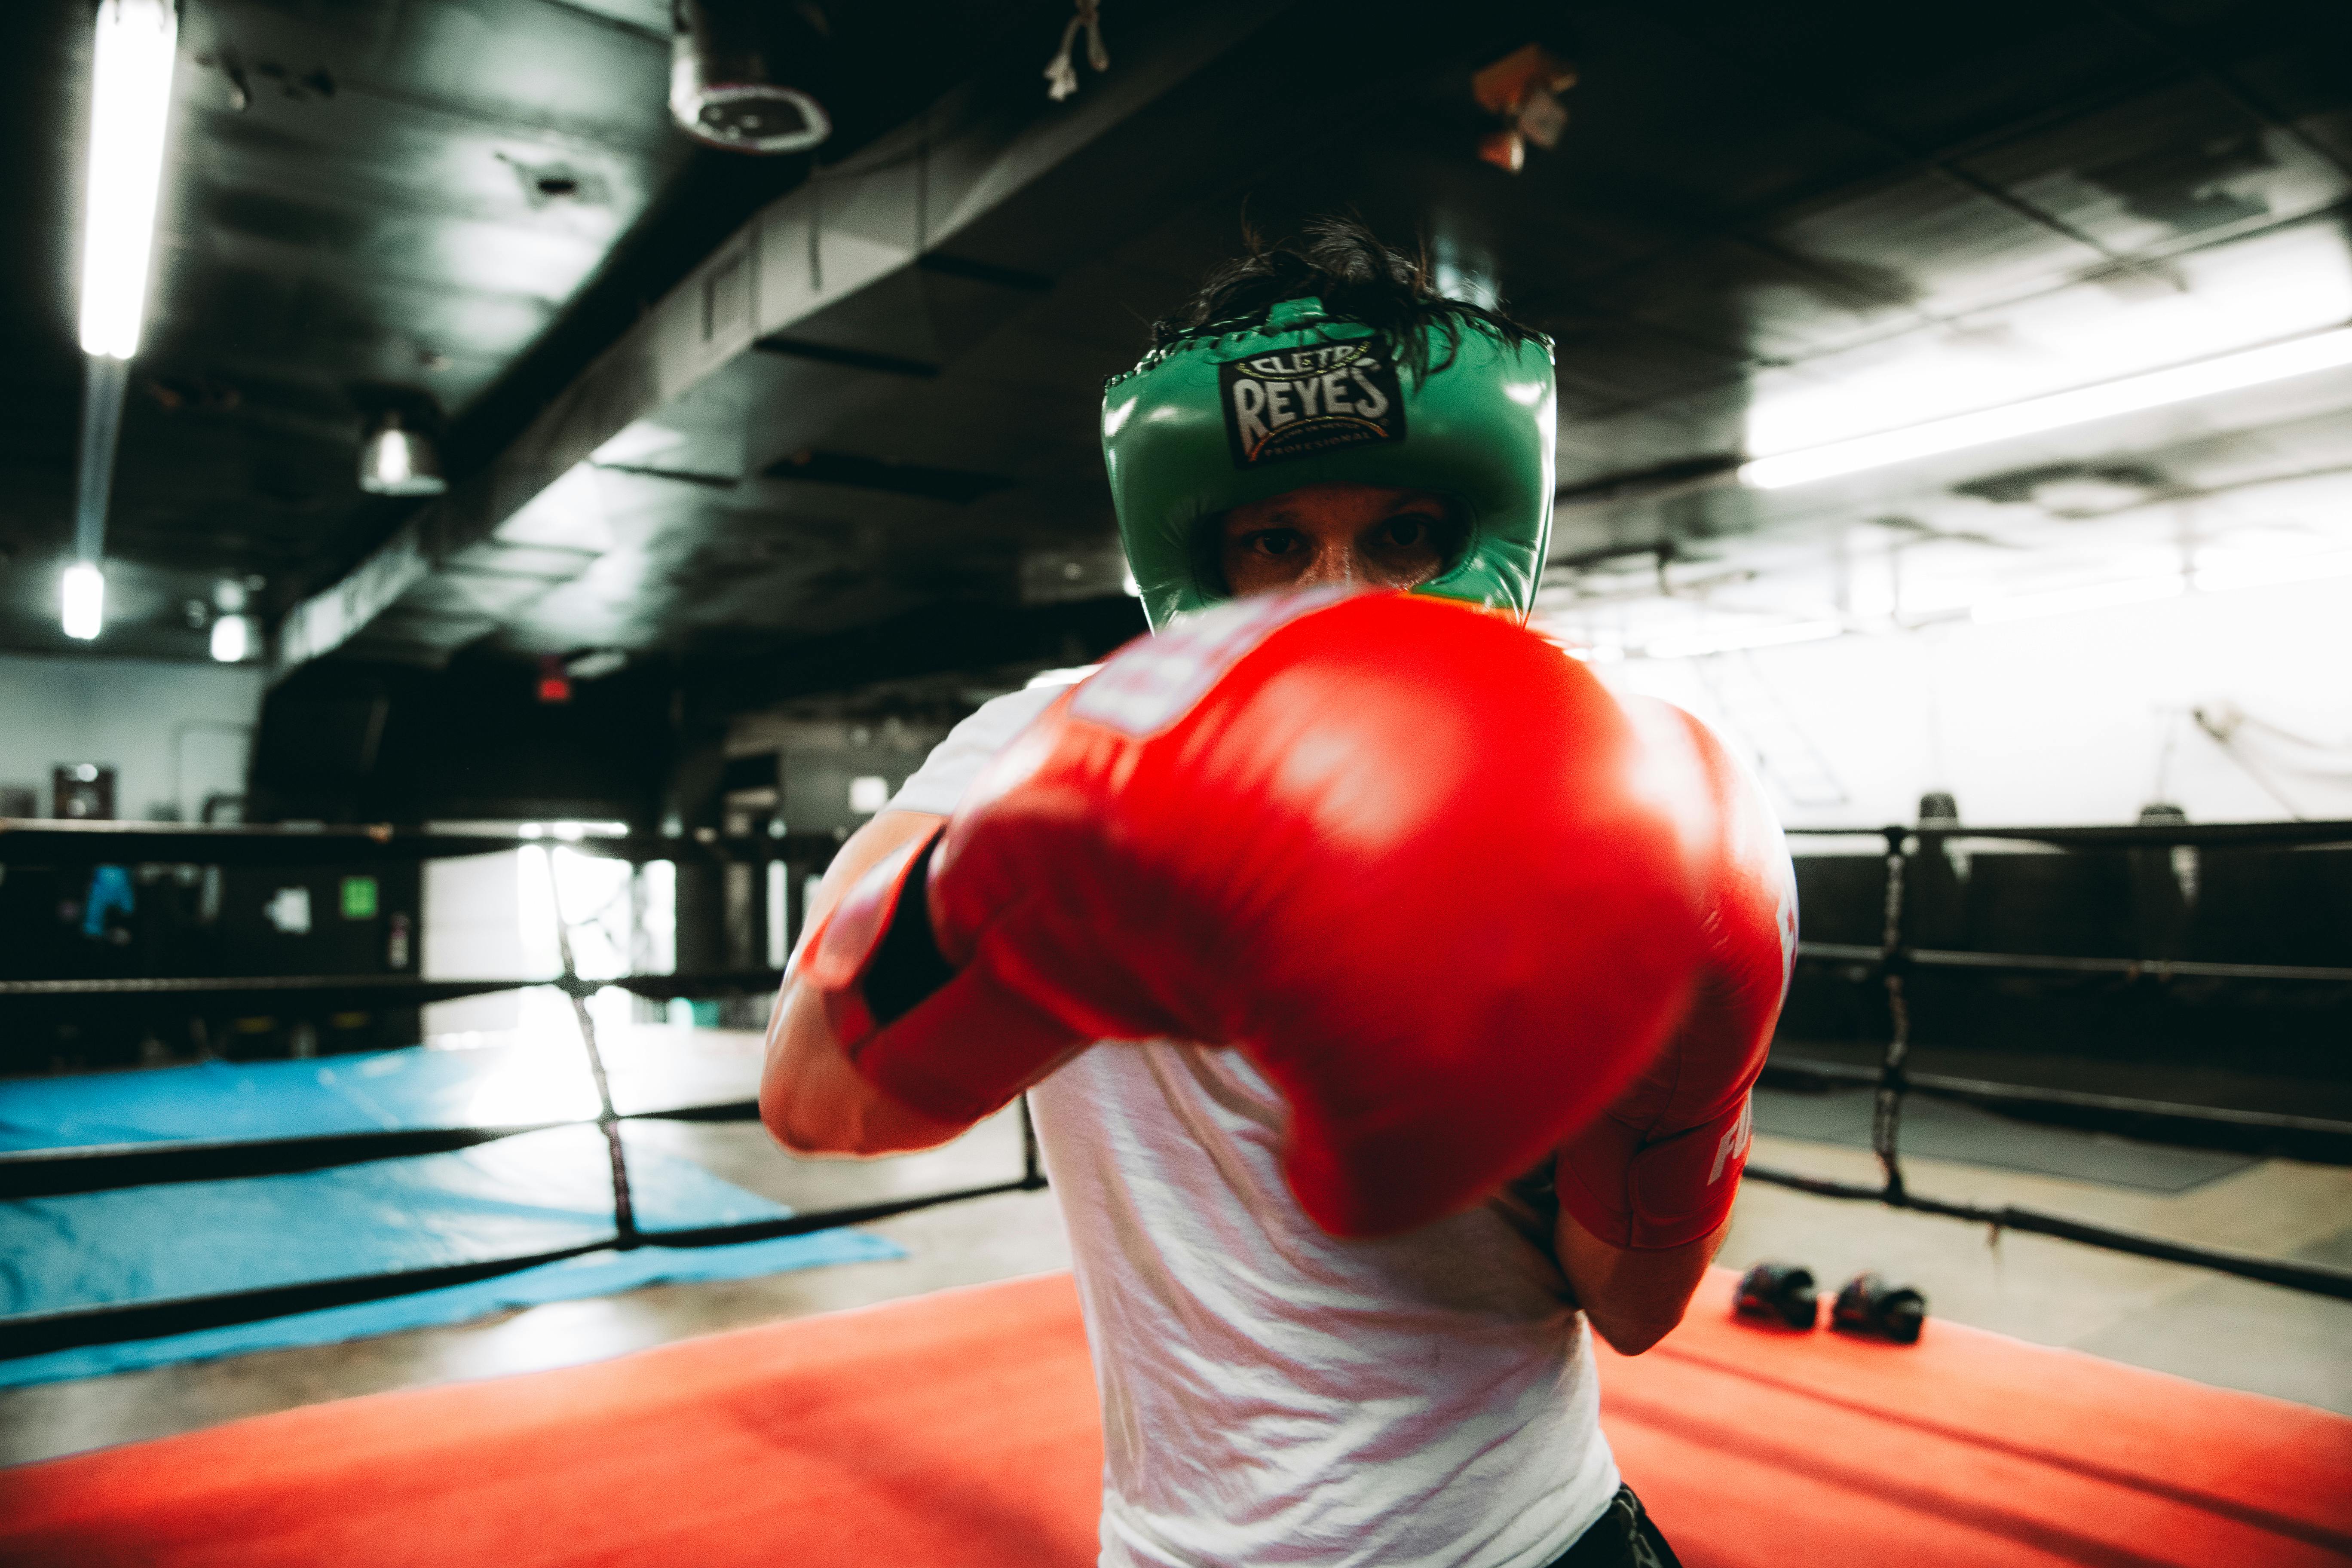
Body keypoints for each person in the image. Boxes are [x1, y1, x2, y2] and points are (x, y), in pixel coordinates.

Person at [760, 220, 1793, 1568]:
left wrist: (1686, 1092)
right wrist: (1038, 891)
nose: (1340, 596)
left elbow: (1634, 1309)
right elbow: (812, 1088)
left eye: (1406, 533)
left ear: (1487, 538)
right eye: (1274, 541)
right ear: (1195, 555)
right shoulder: (1048, 740)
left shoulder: (1622, 794)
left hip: (1532, 1536)